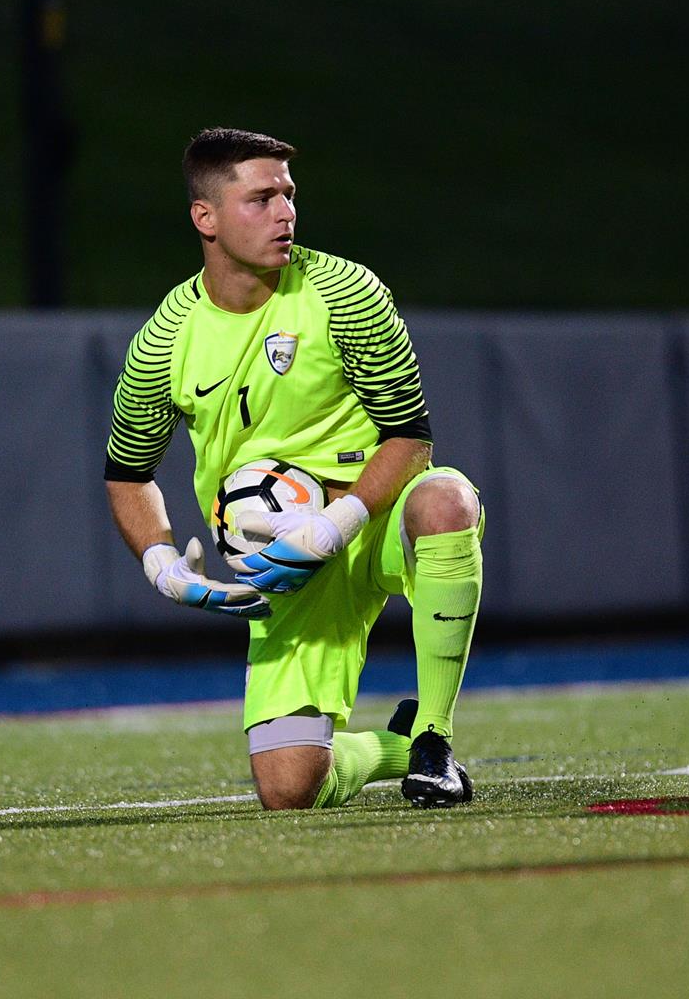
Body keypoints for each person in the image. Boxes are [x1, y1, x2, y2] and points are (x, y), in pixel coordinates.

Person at [103, 128, 485, 811]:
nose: (285, 213)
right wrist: (160, 562)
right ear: (206, 218)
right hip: (283, 567)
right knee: (289, 790)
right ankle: (393, 748)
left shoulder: (346, 291)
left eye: (289, 195)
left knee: (448, 501)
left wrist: (337, 522)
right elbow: (128, 473)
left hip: (373, 513)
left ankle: (433, 739)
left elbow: (410, 438)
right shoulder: (164, 340)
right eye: (260, 198)